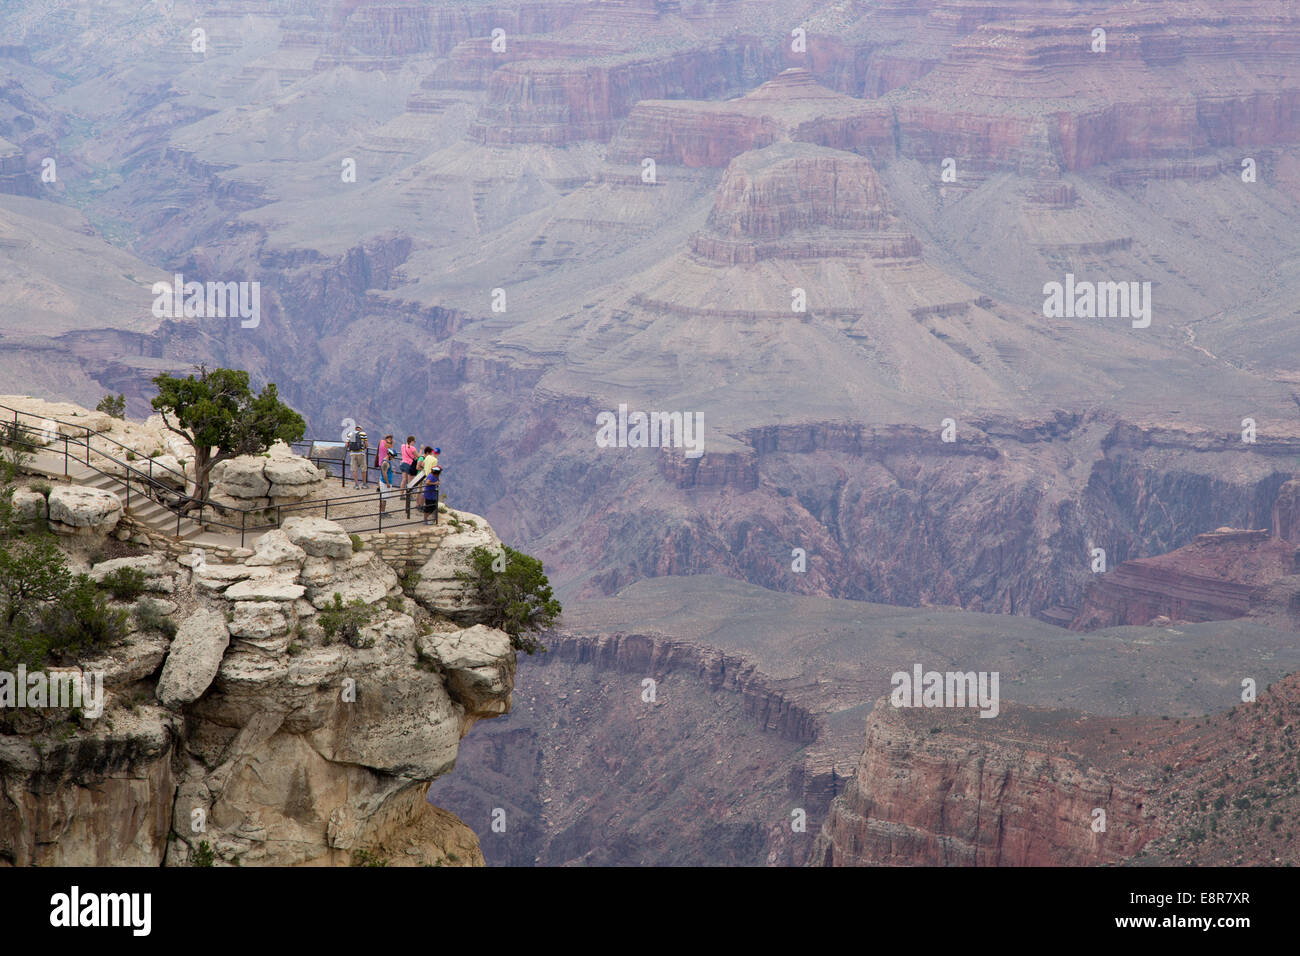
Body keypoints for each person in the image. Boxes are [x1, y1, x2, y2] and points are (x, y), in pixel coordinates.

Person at [376, 447, 399, 515]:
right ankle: (382, 512)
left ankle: (383, 511)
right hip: (385, 483)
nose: (393, 458)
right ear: (389, 455)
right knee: (384, 498)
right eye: (393, 456)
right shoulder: (385, 463)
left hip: (385, 482)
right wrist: (387, 483)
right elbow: (384, 473)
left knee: (385, 498)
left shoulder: (387, 462)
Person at [346, 424, 369, 489]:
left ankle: (356, 485)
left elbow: (347, 444)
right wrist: (364, 447)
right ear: (360, 429)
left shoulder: (350, 434)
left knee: (354, 469)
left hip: (353, 454)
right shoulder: (363, 434)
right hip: (361, 453)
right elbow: (366, 444)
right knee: (363, 469)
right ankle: (364, 484)